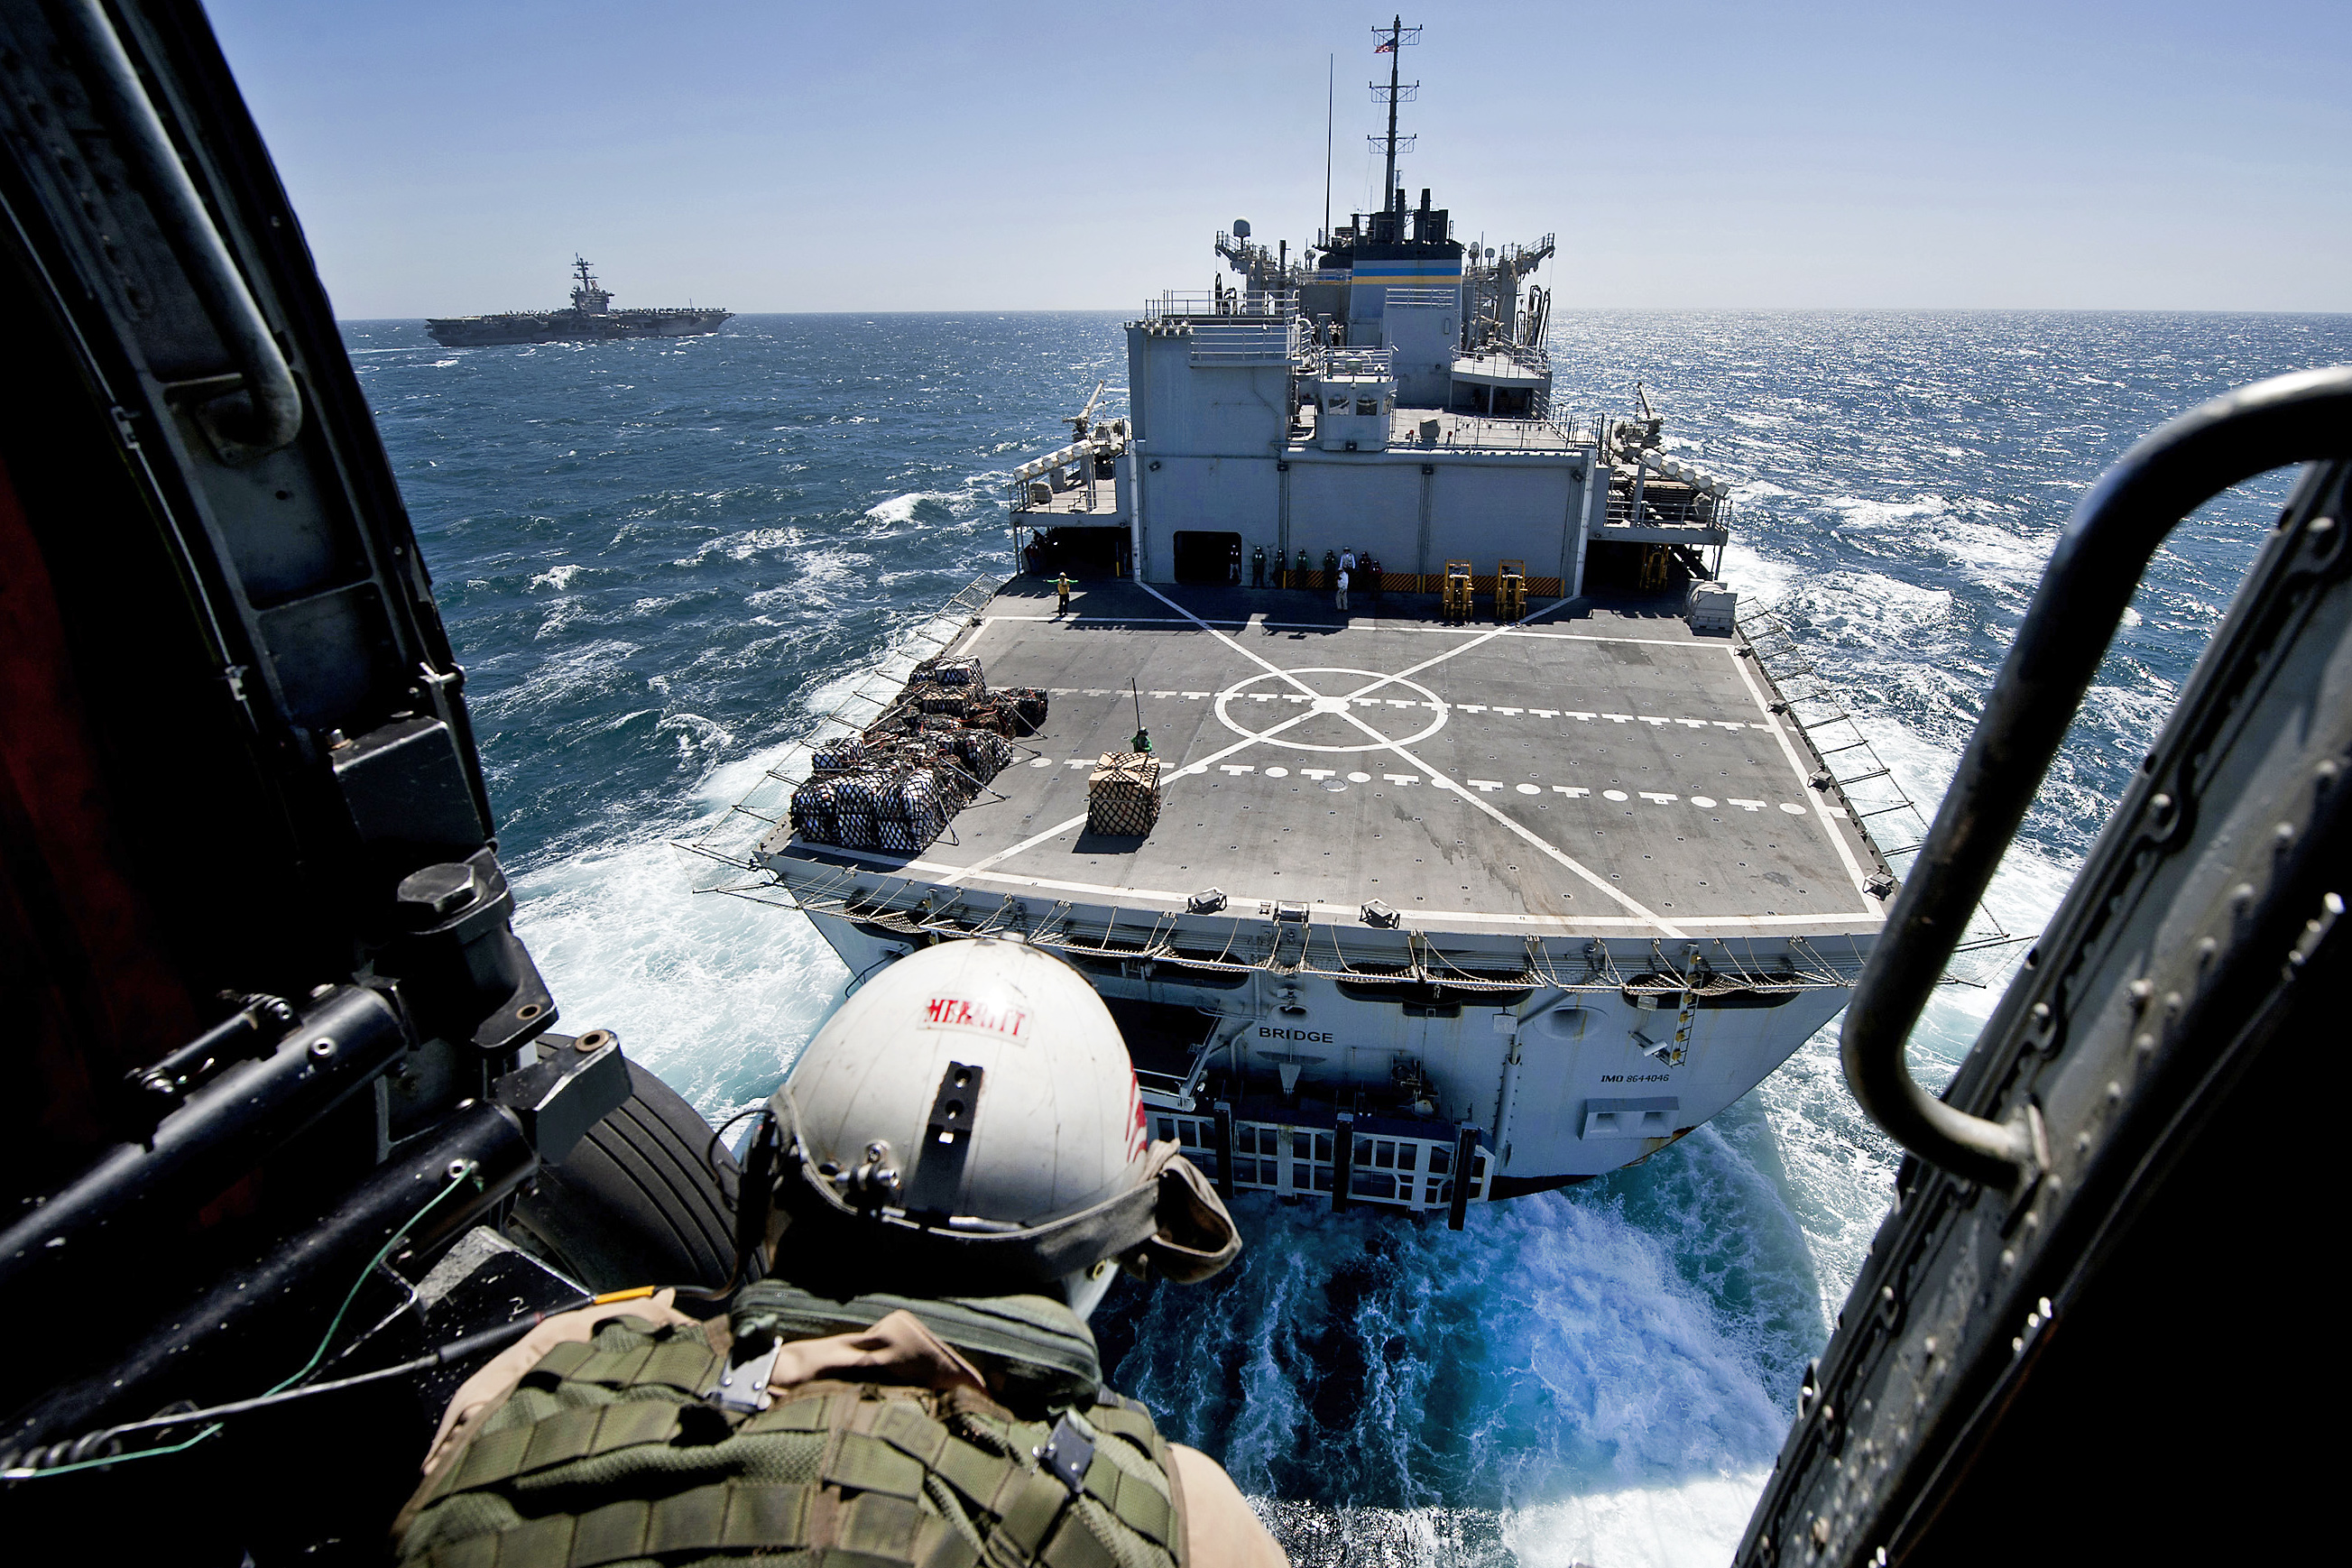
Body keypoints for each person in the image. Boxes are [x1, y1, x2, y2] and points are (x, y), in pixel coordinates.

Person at [395, 940, 1281, 1568]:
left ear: (768, 1182)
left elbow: (655, 1317)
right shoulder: (1185, 1520)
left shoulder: (534, 1394)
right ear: (1106, 1255)